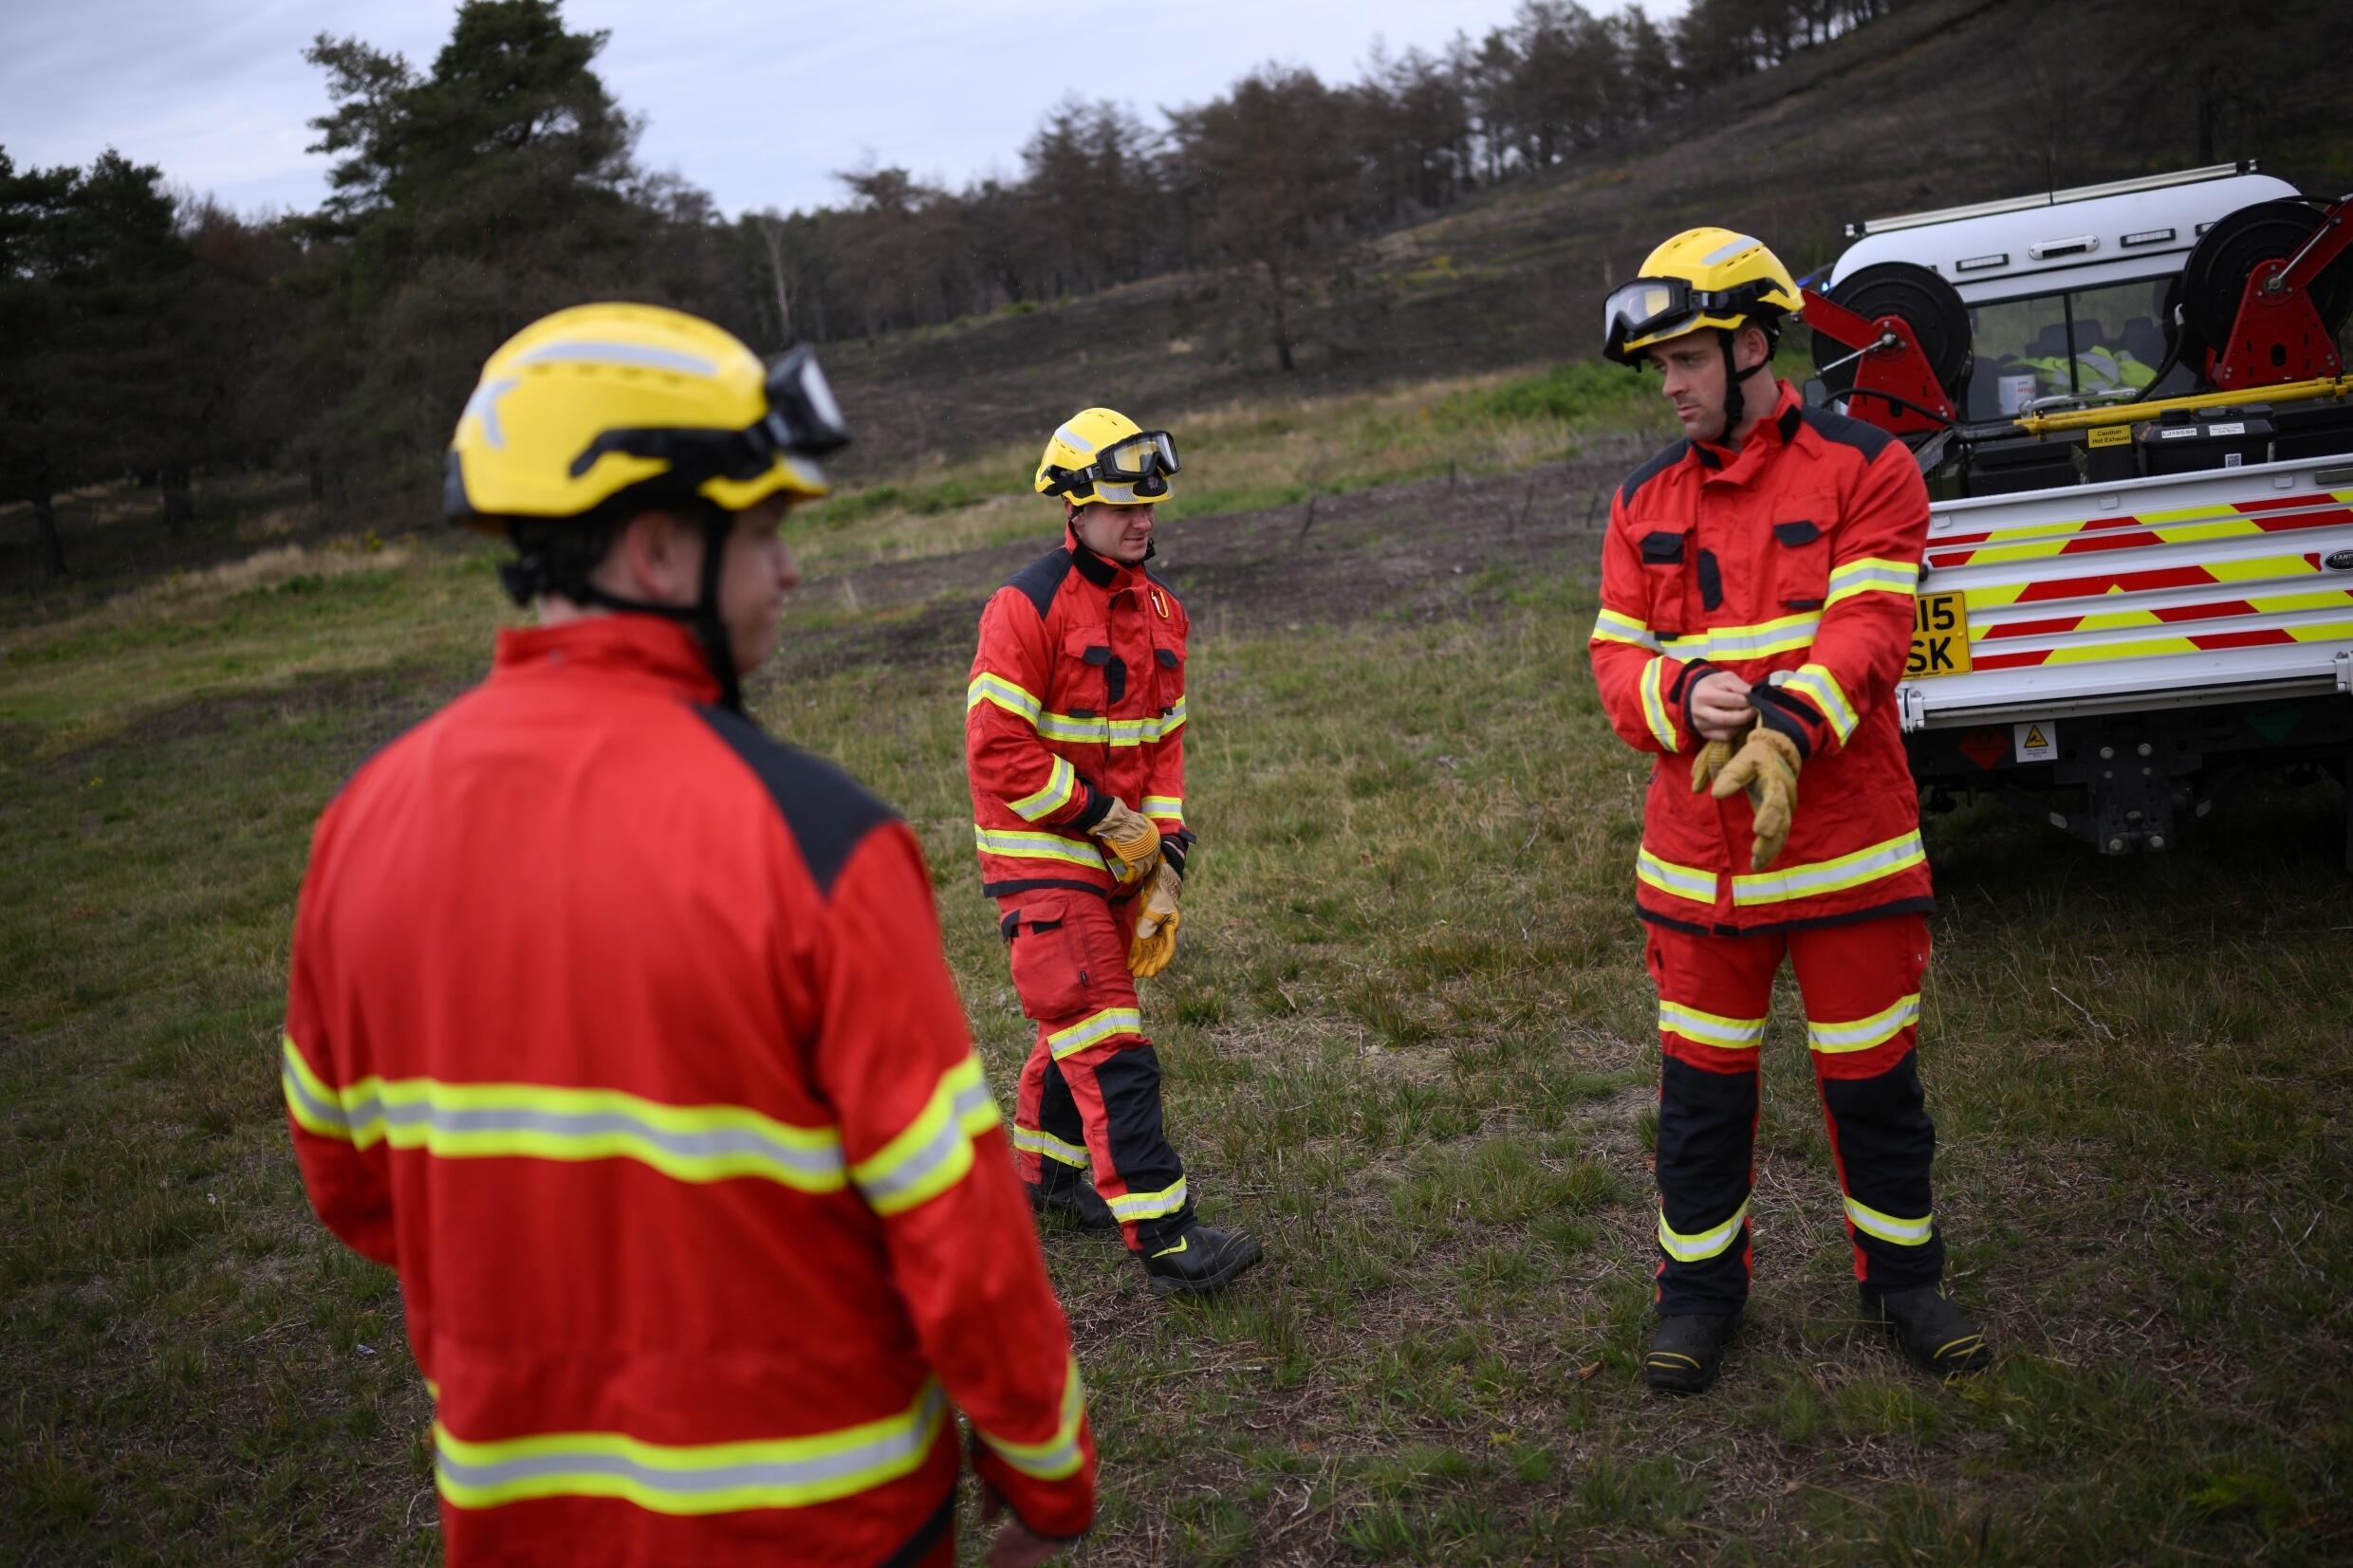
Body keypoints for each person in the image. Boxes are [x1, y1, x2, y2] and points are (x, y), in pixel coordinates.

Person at [282, 303, 1095, 1566]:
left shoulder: (357, 829)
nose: (791, 572)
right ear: (657, 550)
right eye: (764, 531)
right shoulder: (820, 842)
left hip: (524, 1525)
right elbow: (959, 1228)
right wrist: (1048, 1473)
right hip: (829, 1524)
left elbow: (348, 1181)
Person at [1590, 231, 1992, 1394]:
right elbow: (1615, 661)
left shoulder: (1869, 467)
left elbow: (1866, 632)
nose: (1665, 387)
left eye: (1683, 361)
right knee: (1700, 1104)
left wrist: (1779, 727)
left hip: (1845, 856)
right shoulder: (1637, 500)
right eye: (1656, 367)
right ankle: (1698, 1298)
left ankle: (1903, 1284)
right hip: (1696, 874)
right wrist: (1678, 695)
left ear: (1752, 343)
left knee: (1873, 1088)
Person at [963, 407, 1263, 1296]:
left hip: (1118, 857)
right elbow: (999, 752)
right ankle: (1165, 1233)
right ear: (1073, 507)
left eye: (1150, 504)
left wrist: (1166, 851)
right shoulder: (1025, 606)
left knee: (1077, 1022)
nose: (1142, 519)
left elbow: (1162, 745)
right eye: (1121, 505)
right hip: (1041, 855)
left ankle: (1051, 1179)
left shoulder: (1164, 610)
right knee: (1110, 1041)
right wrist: (1103, 818)